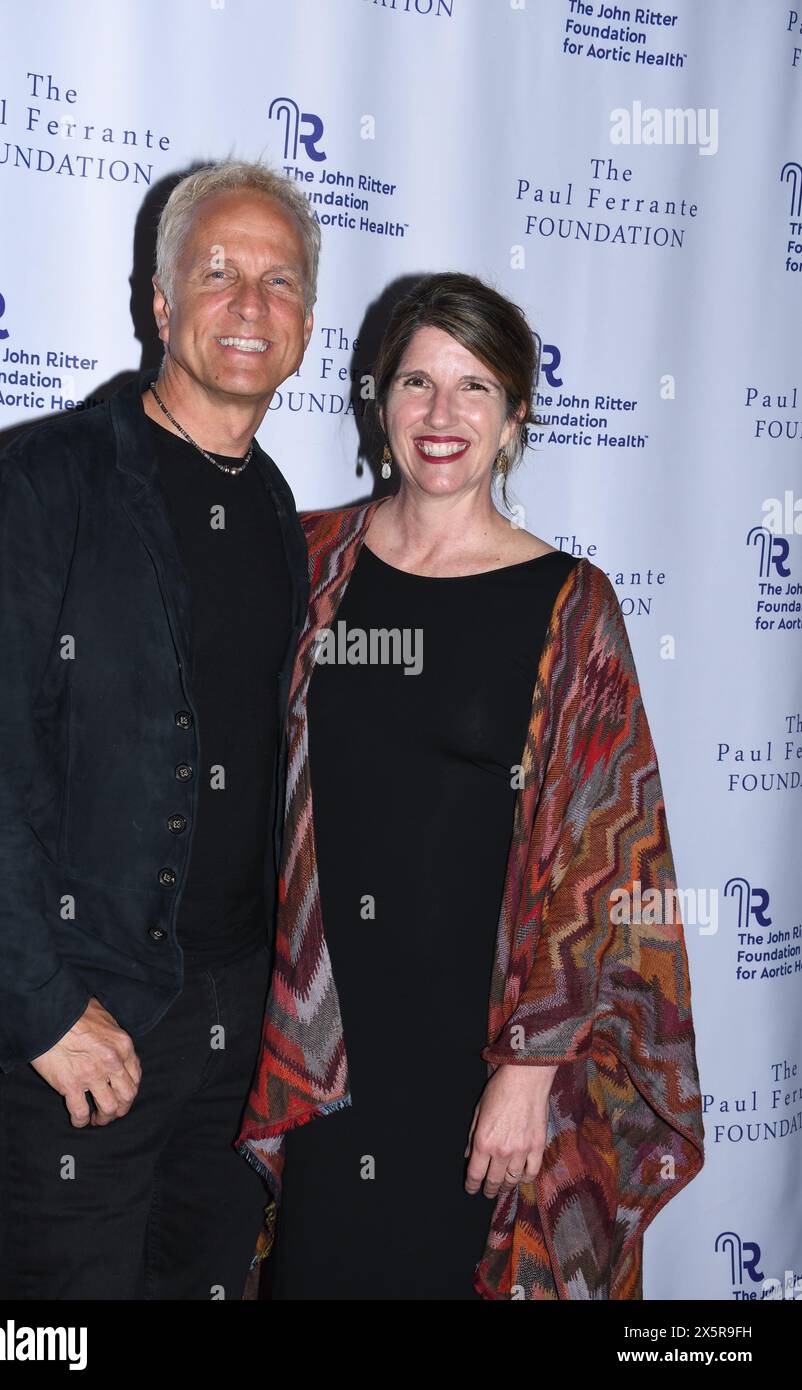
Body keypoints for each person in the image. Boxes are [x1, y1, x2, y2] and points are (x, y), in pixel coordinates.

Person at [237, 271, 706, 1300]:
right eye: (415, 382)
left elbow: (606, 868)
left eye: (473, 387)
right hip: (326, 1040)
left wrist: (530, 1067)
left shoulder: (568, 605)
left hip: (481, 1049)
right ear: (380, 403)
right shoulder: (311, 562)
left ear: (514, 417)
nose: (439, 415)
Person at [0, 158, 319, 1299]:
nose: (250, 304)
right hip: (85, 1015)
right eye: (217, 272)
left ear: (305, 320)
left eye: (281, 281)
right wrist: (39, 1011)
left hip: (232, 1029)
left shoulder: (273, 508)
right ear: (160, 304)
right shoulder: (41, 483)